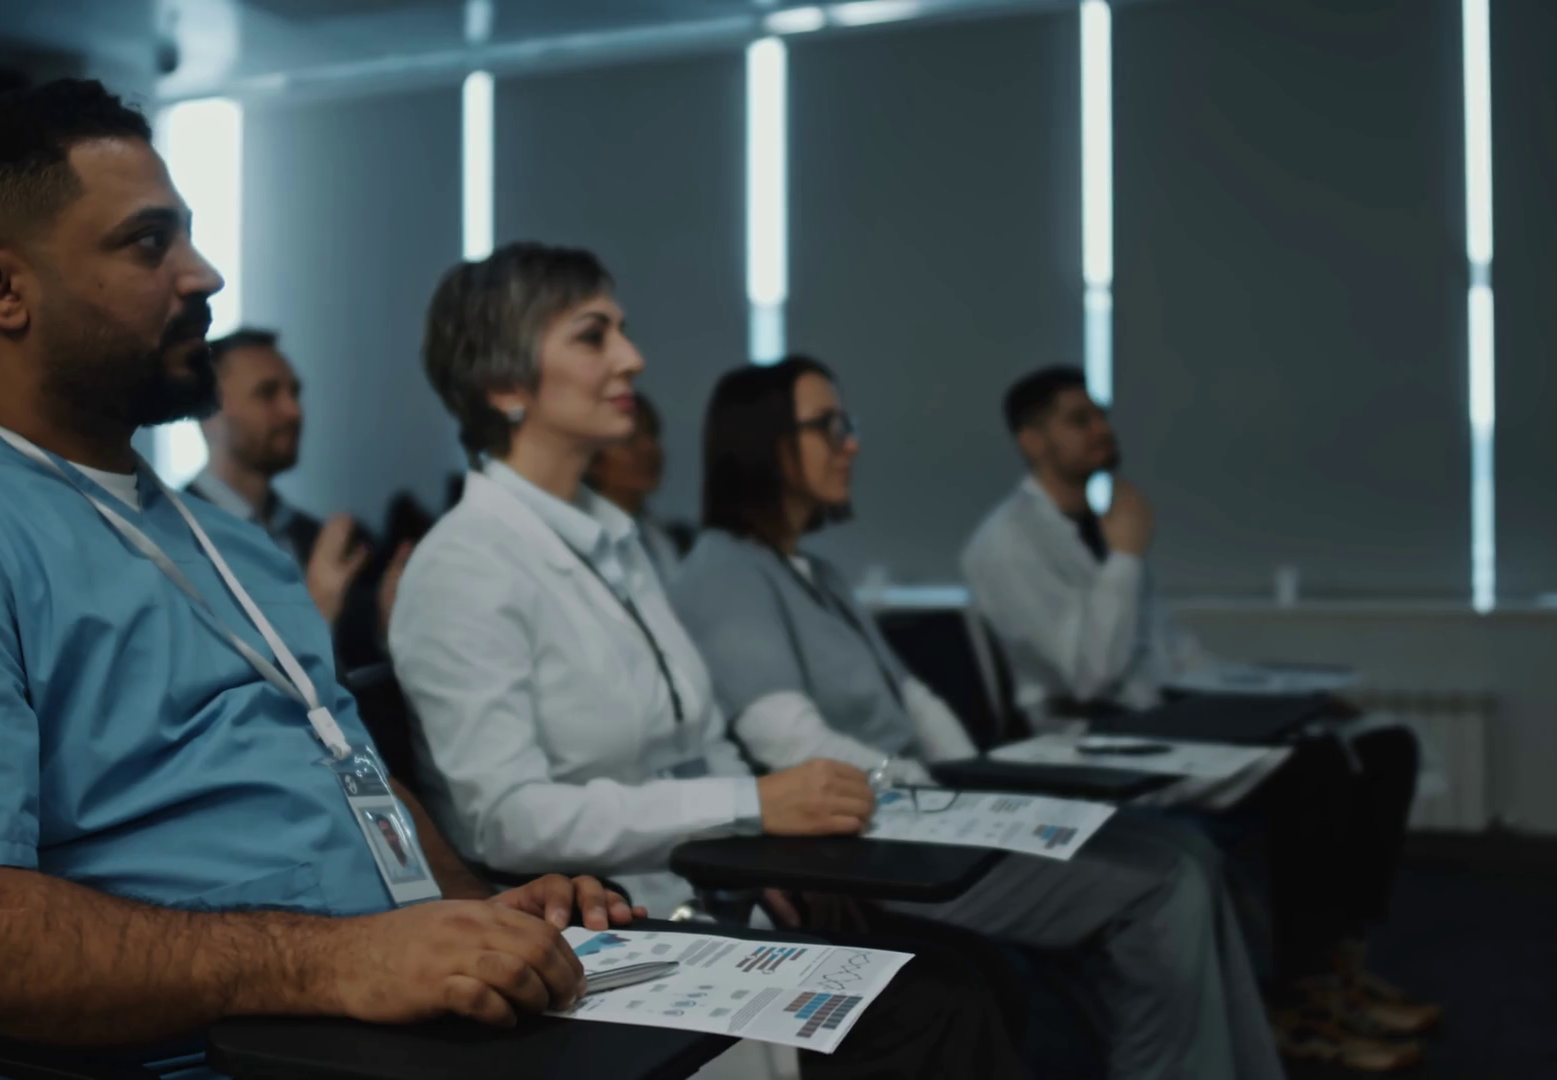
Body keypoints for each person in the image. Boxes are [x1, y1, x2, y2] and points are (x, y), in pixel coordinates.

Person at [0, 81, 645, 1080]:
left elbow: (345, 765)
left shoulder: (226, 542)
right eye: (146, 244)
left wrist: (477, 913)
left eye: (189, 237)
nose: (203, 275)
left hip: (388, 1033)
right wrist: (339, 962)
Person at [391, 242, 1029, 1078]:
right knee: (942, 1007)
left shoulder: (616, 543)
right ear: (506, 387)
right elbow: (506, 818)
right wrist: (754, 805)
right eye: (594, 336)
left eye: (621, 330)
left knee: (972, 975)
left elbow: (700, 740)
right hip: (606, 937)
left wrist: (762, 853)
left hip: (704, 898)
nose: (633, 357)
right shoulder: (465, 563)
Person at [667, 356, 1287, 1080]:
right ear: (766, 443)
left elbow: (918, 702)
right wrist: (938, 791)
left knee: (1189, 854)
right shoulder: (722, 571)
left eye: (848, 425)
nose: (850, 442)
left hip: (923, 810)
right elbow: (789, 739)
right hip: (880, 834)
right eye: (828, 426)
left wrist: (981, 792)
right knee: (1163, 880)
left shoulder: (816, 573)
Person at [962, 365, 1438, 1065]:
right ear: (1032, 442)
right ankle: (1302, 999)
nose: (1101, 429)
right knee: (1313, 772)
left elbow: (1175, 656)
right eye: (1078, 419)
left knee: (1381, 745)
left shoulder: (1098, 526)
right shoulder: (1004, 544)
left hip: (1164, 715)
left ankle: (1338, 967)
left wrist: (1285, 695)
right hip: (1092, 738)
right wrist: (1124, 557)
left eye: (1100, 414)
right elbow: (1087, 675)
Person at [188, 327, 411, 668]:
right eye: (267, 393)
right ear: (209, 416)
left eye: (294, 392)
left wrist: (383, 621)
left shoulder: (326, 541)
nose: (294, 412)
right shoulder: (169, 538)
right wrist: (315, 611)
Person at [586, 389, 685, 583]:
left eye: (653, 435)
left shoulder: (655, 536)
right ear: (592, 458)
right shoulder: (588, 538)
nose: (649, 448)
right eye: (629, 439)